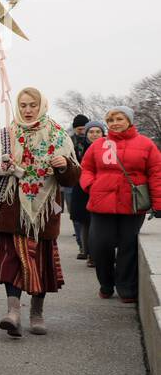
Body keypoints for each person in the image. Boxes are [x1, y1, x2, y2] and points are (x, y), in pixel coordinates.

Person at [0, 87, 79, 336]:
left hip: (45, 213)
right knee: (11, 261)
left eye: (32, 105)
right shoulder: (6, 135)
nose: (27, 110)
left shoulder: (58, 136)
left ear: (42, 106)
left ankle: (36, 312)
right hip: (12, 208)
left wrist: (64, 165)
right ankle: (13, 312)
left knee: (41, 263)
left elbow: (72, 178)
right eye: (23, 105)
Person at [79, 106, 161, 303]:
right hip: (101, 202)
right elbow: (86, 168)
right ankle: (106, 284)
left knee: (128, 247)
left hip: (132, 204)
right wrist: (91, 185)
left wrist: (158, 203)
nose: (115, 123)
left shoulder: (146, 144)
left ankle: (126, 288)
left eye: (119, 119)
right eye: (111, 120)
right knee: (101, 245)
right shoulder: (98, 145)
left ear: (129, 121)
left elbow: (156, 174)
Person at [69, 120, 105, 265]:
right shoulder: (79, 147)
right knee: (86, 223)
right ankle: (89, 253)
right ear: (86, 133)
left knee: (102, 225)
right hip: (82, 188)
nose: (94, 134)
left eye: (97, 131)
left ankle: (102, 254)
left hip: (103, 189)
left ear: (103, 133)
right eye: (91, 132)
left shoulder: (109, 146)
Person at [67, 114, 91, 255]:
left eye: (84, 128)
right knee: (76, 217)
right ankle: (82, 246)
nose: (82, 132)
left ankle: (90, 247)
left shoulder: (95, 140)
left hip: (89, 183)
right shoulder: (69, 142)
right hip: (72, 183)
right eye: (79, 129)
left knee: (89, 217)